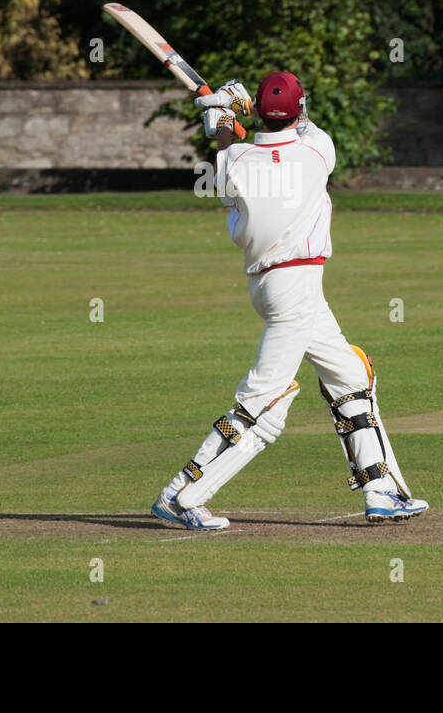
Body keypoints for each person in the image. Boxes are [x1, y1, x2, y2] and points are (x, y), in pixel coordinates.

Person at [151, 72, 428, 529]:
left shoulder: (234, 162)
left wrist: (221, 116)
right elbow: (296, 129)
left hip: (274, 287)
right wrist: (232, 112)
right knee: (265, 403)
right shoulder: (319, 150)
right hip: (296, 287)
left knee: (351, 375)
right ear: (300, 110)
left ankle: (382, 492)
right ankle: (181, 494)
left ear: (257, 112)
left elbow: (229, 151)